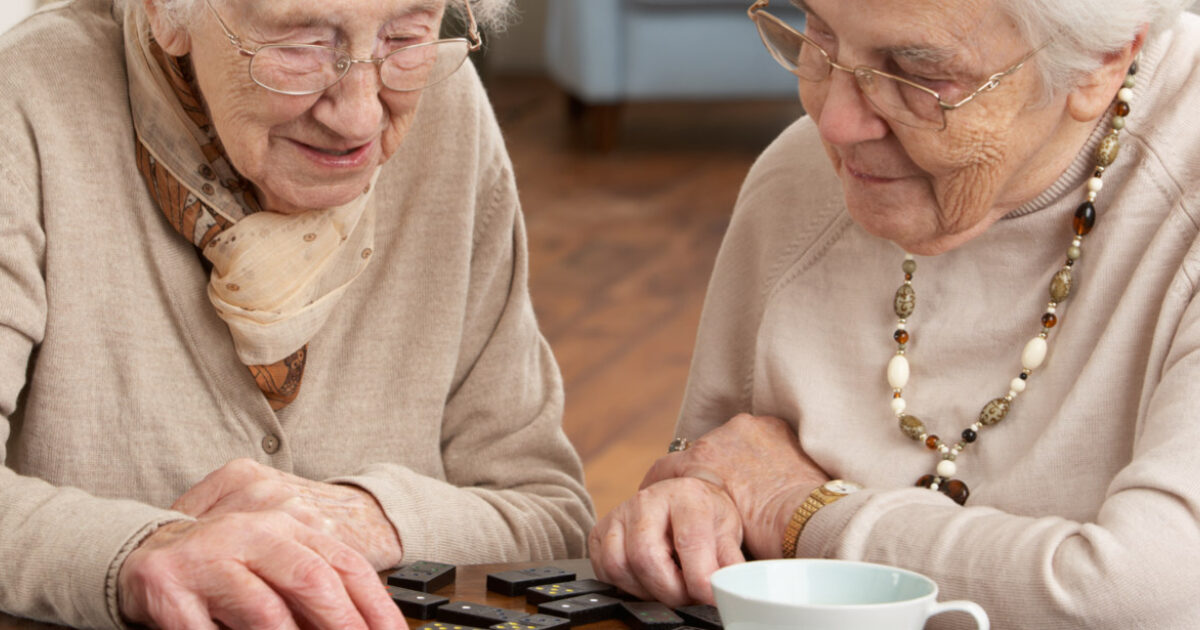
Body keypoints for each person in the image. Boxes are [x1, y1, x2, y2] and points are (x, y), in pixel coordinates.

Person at [590, 0, 1200, 626]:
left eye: (917, 72)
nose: (835, 122)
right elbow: (719, 485)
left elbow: (1150, 599)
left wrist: (796, 509)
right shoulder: (801, 183)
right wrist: (689, 515)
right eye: (820, 36)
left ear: (1101, 63)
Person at [0, 0, 595, 627]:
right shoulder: (29, 103)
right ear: (168, 15)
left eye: (404, 36)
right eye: (300, 43)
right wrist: (138, 554)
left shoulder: (448, 109)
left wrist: (372, 516)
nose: (359, 114)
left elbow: (550, 515)